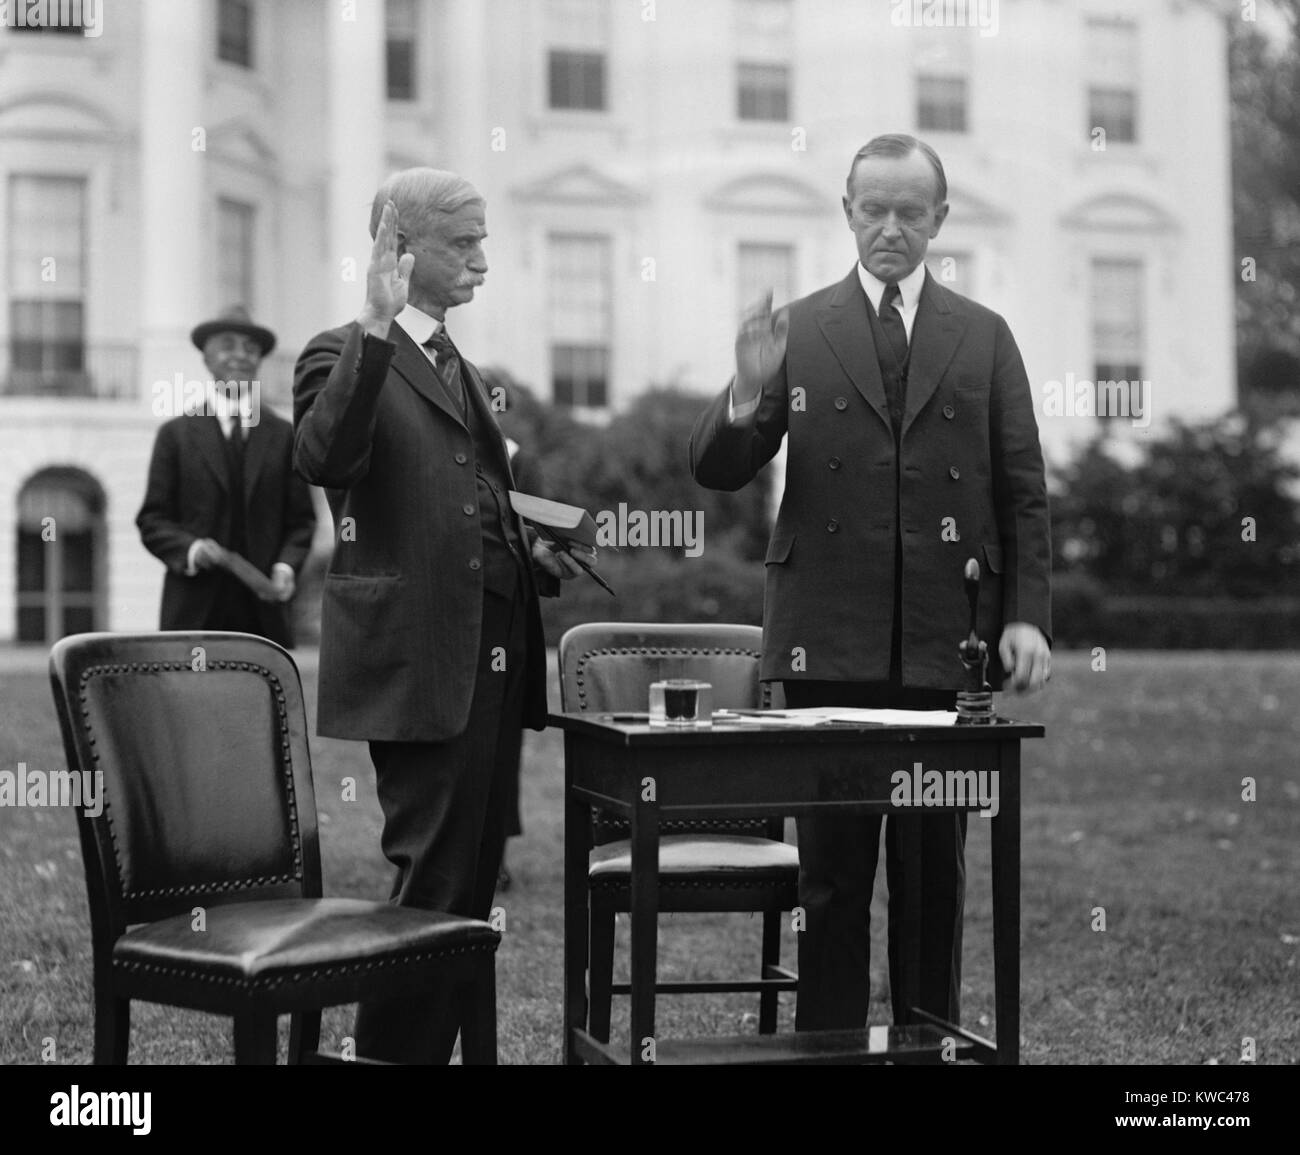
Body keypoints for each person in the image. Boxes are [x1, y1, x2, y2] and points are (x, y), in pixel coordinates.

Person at [689, 134, 1051, 1032]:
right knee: (833, 875)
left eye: (910, 213)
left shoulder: (986, 335)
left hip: (946, 645)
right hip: (828, 645)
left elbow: (1024, 491)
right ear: (847, 209)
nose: (891, 228)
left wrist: (1028, 618)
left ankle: (929, 1043)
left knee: (934, 874)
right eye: (874, 209)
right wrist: (745, 387)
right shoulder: (799, 331)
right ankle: (830, 1047)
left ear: (940, 219)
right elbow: (717, 470)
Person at [293, 168, 590, 1063]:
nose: (484, 261)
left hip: (493, 655)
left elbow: (467, 496)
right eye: (465, 242)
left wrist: (526, 544)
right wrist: (376, 326)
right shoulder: (343, 350)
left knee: (468, 885)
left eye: (483, 239)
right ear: (399, 248)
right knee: (434, 876)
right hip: (418, 658)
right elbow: (324, 455)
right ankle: (390, 1057)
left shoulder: (464, 368)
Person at [137, 305, 316, 648]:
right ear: (206, 358)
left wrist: (285, 568)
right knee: (191, 700)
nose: (239, 356)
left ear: (259, 361)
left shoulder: (283, 435)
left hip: (262, 613)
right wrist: (190, 549)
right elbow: (153, 520)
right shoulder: (176, 435)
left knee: (260, 701)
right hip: (193, 611)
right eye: (227, 345)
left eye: (250, 349)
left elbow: (301, 522)